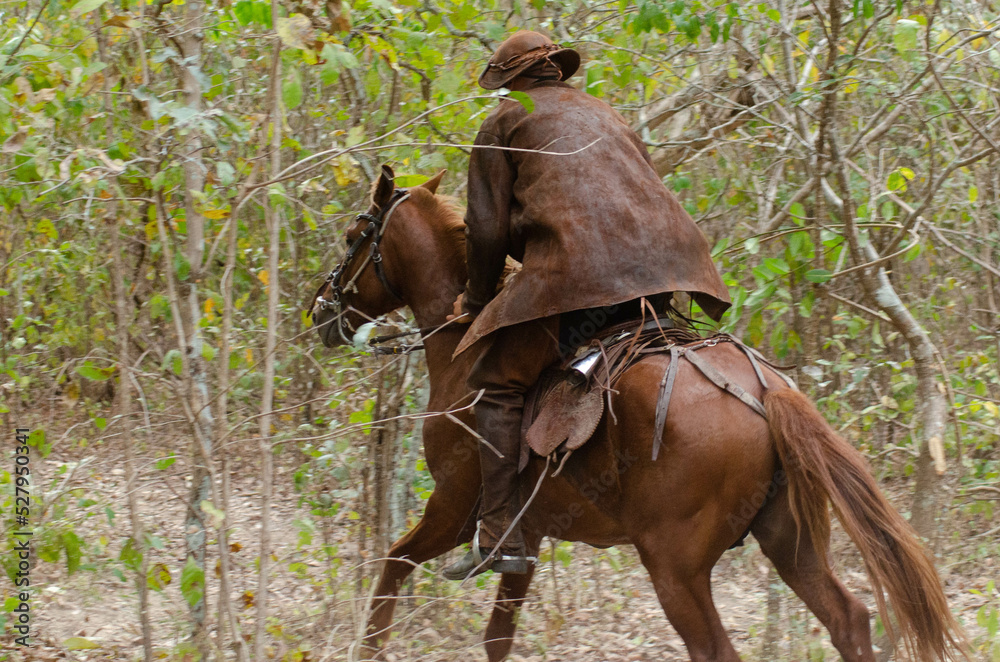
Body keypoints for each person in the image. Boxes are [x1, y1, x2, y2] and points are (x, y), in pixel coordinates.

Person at [441, 31, 731, 580]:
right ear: (555, 70)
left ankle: (500, 535)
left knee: (498, 385)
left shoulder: (504, 121)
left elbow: (483, 230)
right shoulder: (606, 112)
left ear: (510, 80)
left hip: (575, 276)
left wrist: (478, 299)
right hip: (663, 270)